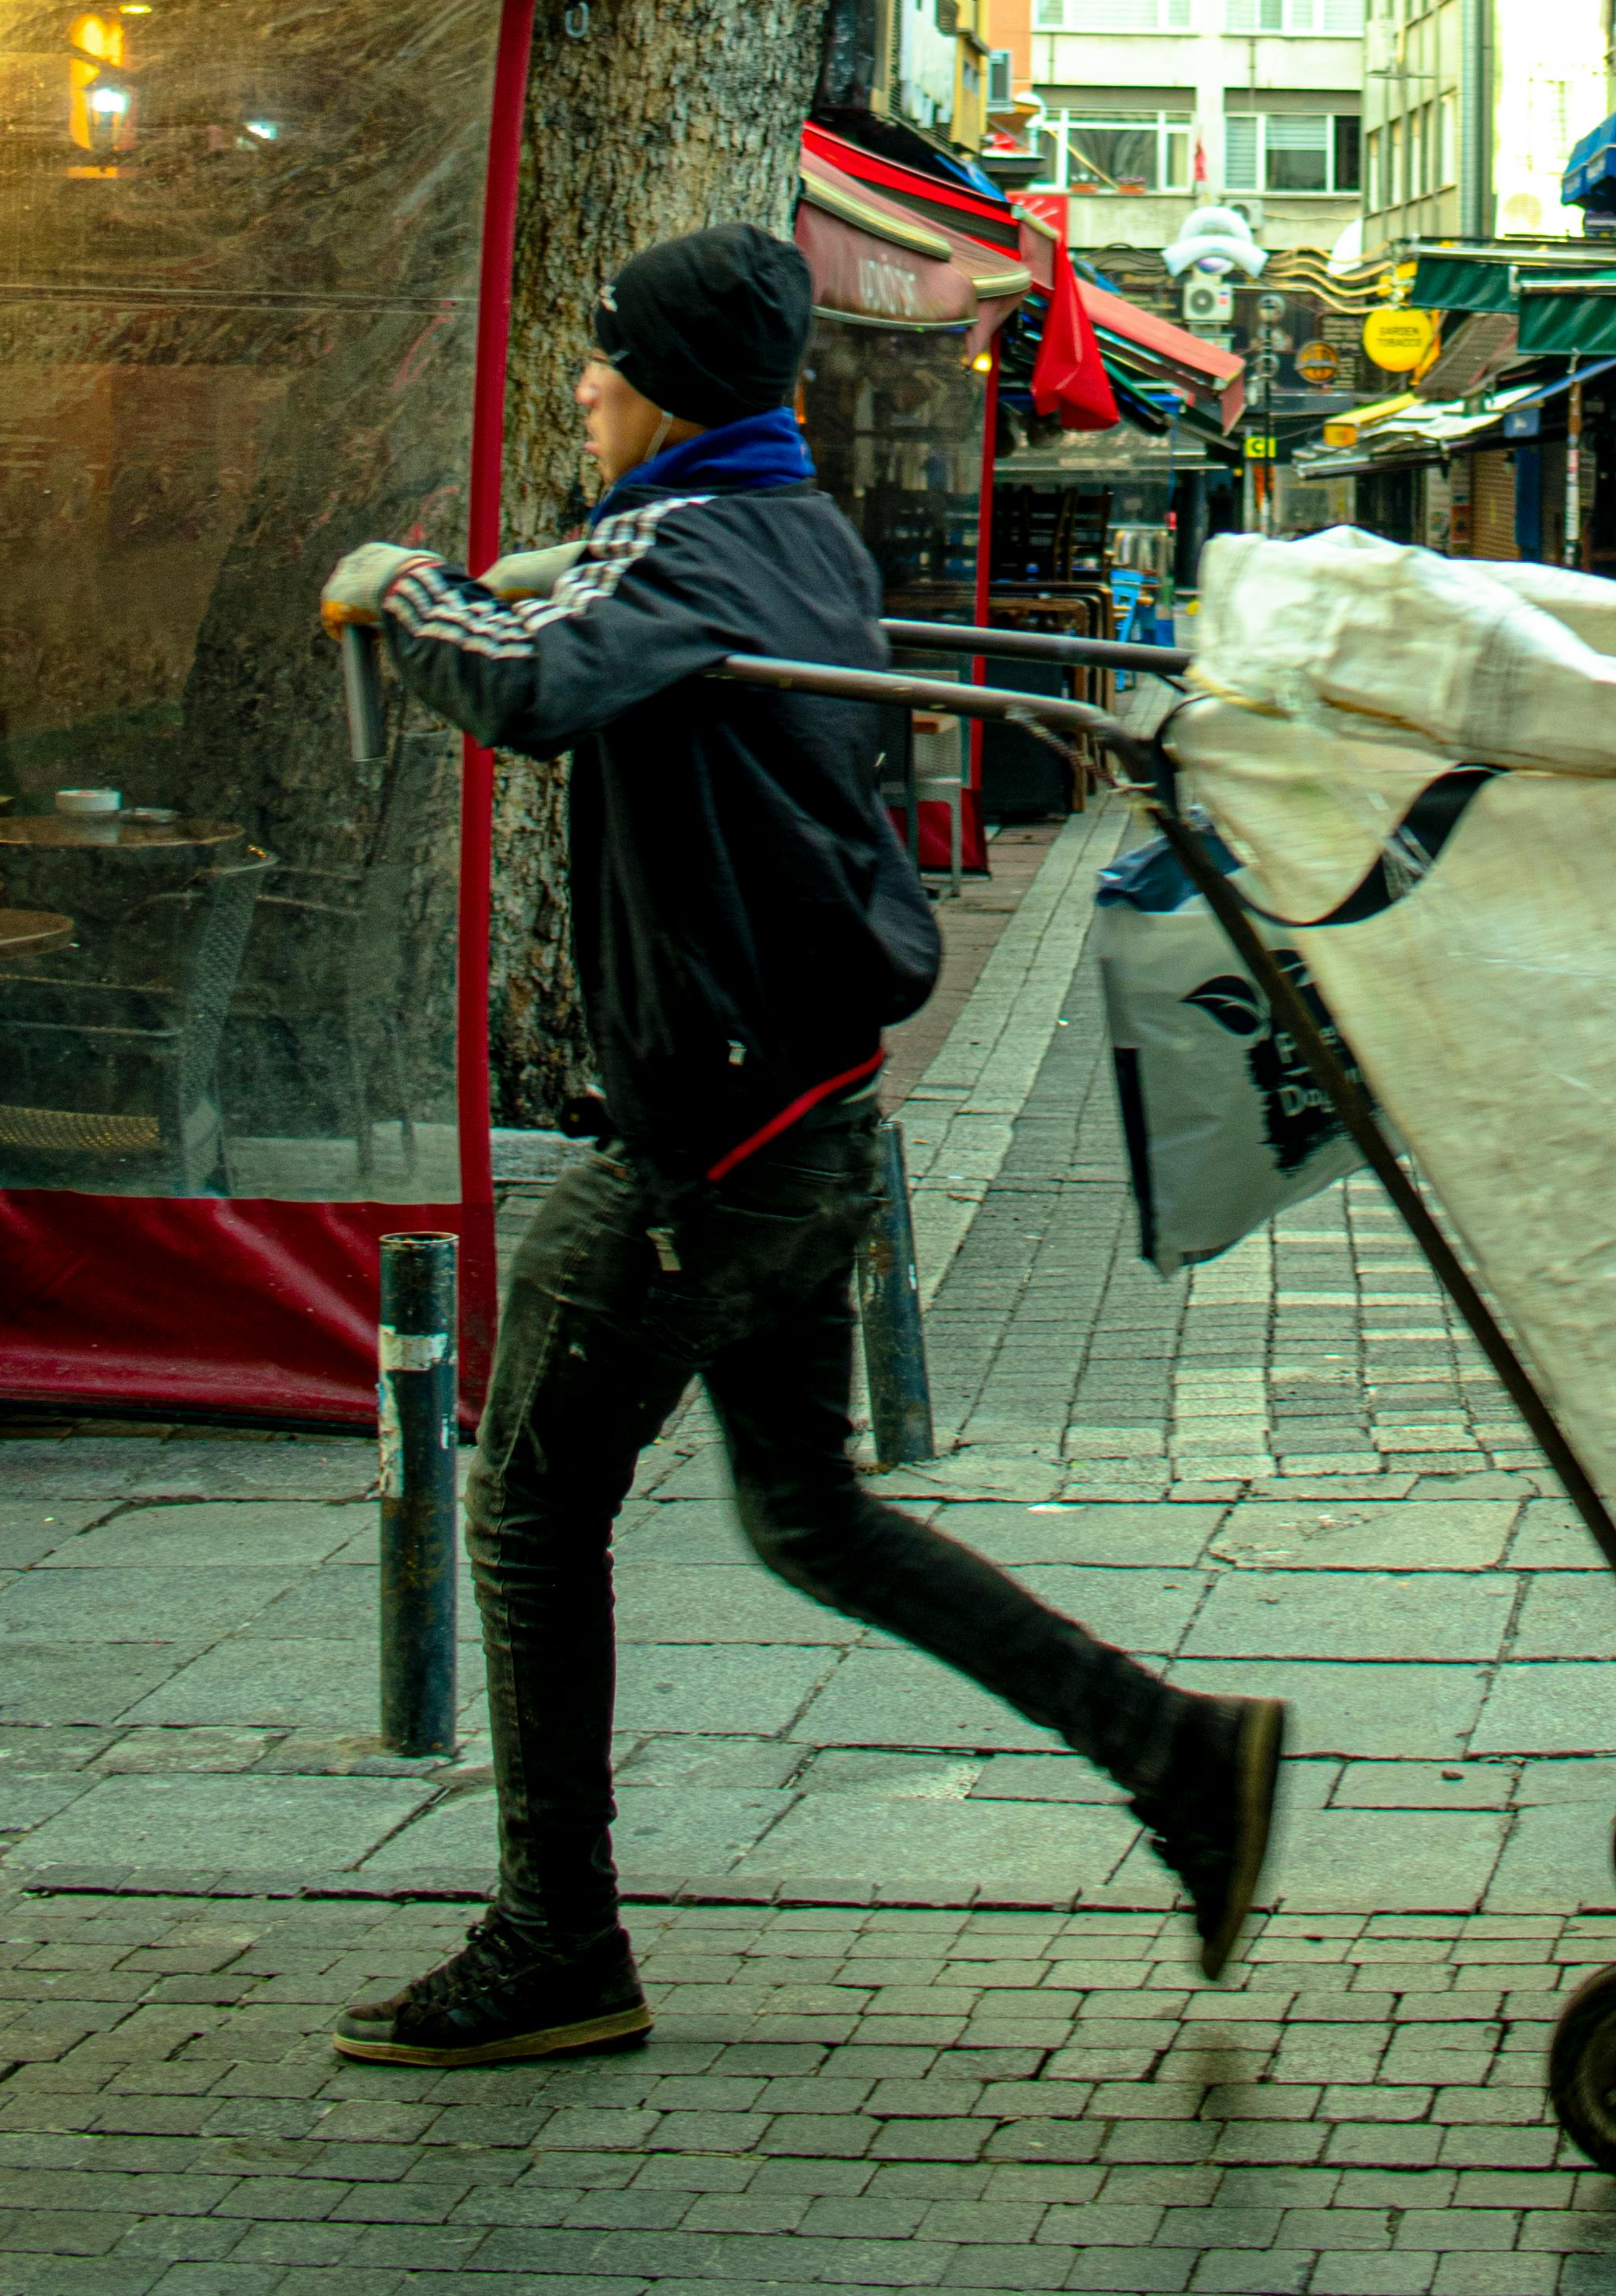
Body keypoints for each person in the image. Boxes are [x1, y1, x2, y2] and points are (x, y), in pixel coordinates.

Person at [317, 219, 1286, 2070]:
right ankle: (1176, 1752)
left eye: (601, 363)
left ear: (666, 388)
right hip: (805, 1112)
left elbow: (530, 691)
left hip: (705, 1142)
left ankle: (555, 1939)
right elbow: (614, 622)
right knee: (810, 1514)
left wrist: (407, 588)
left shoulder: (693, 546)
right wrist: (543, 576)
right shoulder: (789, 527)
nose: (579, 387)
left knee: (525, 1510)